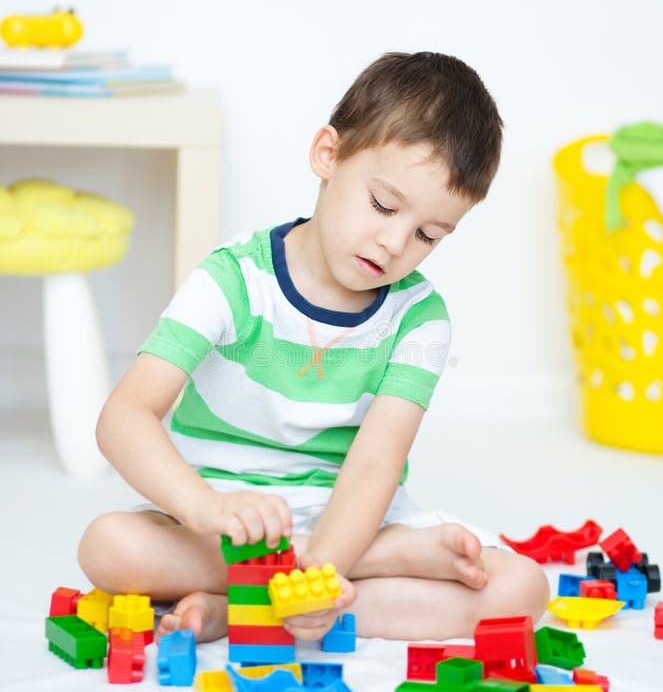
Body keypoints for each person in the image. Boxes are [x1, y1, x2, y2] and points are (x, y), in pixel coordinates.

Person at [78, 51, 549, 645]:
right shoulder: (233, 280)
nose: (395, 242)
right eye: (383, 204)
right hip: (221, 528)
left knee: (522, 590)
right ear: (329, 154)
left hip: (352, 524)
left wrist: (323, 567)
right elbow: (124, 417)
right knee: (109, 546)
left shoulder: (420, 319)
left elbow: (374, 465)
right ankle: (373, 567)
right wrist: (204, 507)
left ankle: (248, 603)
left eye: (429, 235)